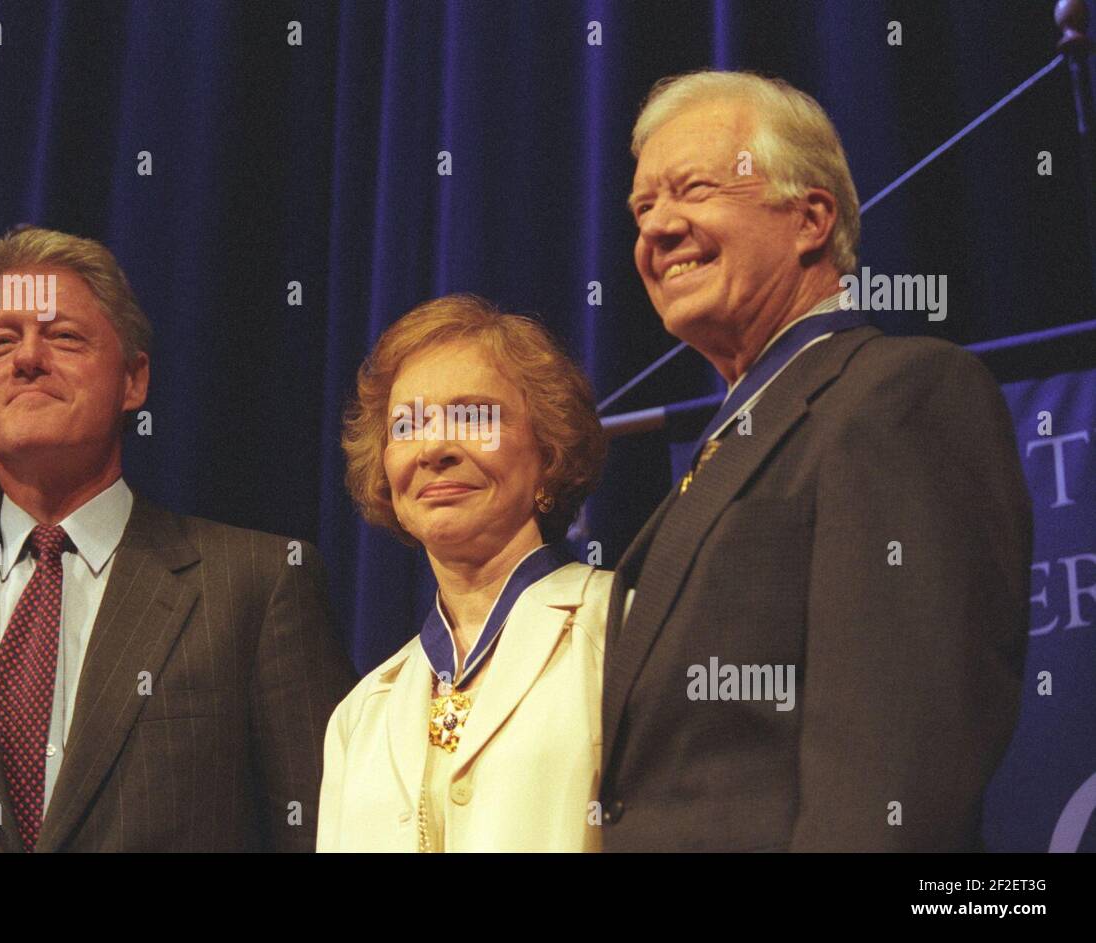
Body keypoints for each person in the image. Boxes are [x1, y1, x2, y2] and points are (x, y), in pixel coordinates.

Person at [0, 226, 354, 852]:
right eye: (0, 342)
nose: (28, 358)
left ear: (133, 381)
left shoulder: (259, 584)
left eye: (63, 336)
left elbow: (327, 833)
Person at [604, 71, 1032, 851]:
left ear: (810, 219)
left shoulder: (901, 396)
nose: (657, 228)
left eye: (694, 189)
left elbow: (890, 769)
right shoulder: (732, 440)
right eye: (641, 207)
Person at [318, 294, 610, 851]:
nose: (434, 448)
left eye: (473, 417)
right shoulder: (360, 716)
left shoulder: (621, 630)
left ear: (548, 452)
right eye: (407, 426)